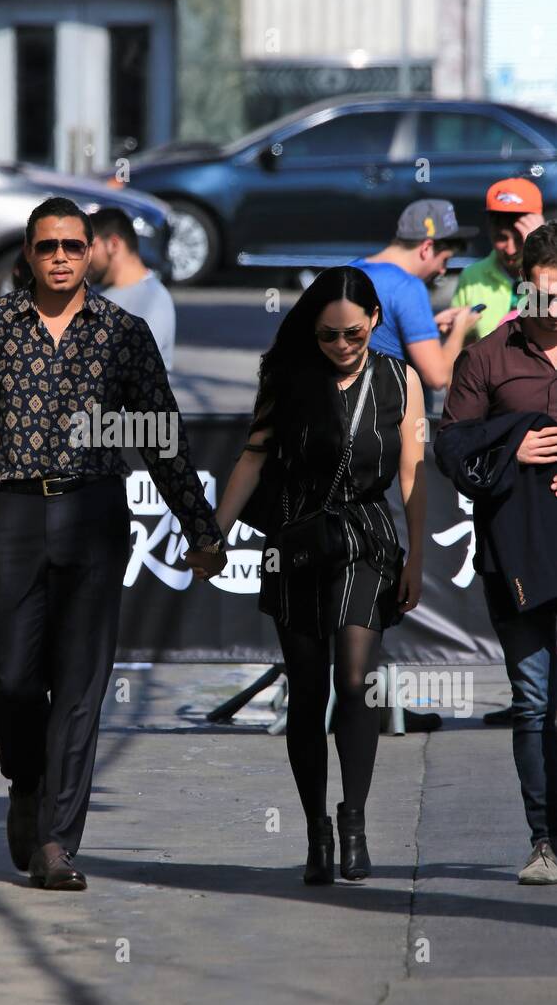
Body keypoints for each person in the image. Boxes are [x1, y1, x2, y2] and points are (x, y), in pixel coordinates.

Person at [0, 196, 225, 892]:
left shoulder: (122, 332)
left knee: (80, 685)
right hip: (12, 514)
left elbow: (162, 439)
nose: (61, 259)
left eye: (73, 246)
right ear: (28, 255)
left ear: (89, 251)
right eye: (47, 247)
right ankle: (25, 781)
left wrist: (199, 530)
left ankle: (55, 841)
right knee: (9, 676)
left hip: (95, 512)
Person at [206, 267, 426, 885]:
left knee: (354, 680)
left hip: (365, 540)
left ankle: (353, 819)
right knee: (307, 690)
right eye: (328, 335)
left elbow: (412, 471)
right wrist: (215, 533)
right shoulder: (288, 378)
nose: (341, 346)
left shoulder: (399, 379)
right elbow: (253, 458)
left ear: (375, 322)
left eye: (353, 333)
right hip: (296, 540)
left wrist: (417, 558)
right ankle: (315, 834)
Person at [435, 221, 557, 884]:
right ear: (524, 290)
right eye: (547, 294)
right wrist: (515, 446)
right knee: (534, 700)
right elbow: (452, 446)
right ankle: (545, 841)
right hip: (517, 551)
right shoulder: (487, 357)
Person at [351, 199, 479, 392]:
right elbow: (438, 377)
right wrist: (460, 328)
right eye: (444, 260)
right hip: (387, 413)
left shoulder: (347, 271)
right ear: (426, 248)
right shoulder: (408, 287)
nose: (443, 270)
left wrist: (426, 327)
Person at [451, 178, 546, 341]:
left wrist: (541, 249)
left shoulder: (549, 273)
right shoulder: (471, 277)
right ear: (489, 230)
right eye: (501, 238)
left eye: (519, 239)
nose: (510, 250)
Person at [88, 207, 176, 369]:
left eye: (90, 246)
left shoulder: (153, 299)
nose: (84, 256)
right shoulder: (94, 293)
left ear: (113, 244)